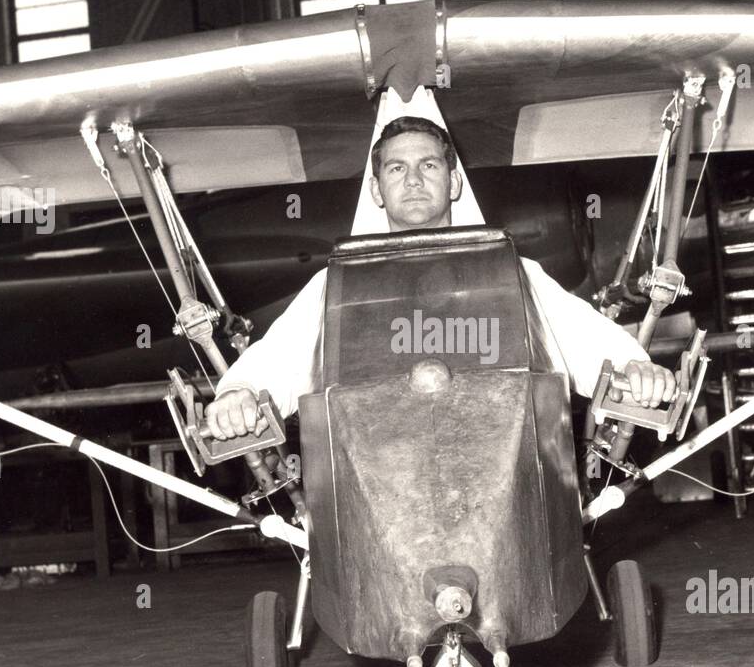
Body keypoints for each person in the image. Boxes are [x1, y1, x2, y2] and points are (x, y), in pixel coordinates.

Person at [206, 116, 673, 439]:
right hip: (376, 463)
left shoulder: (509, 270)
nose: (413, 180)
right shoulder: (337, 283)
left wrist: (635, 367)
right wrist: (238, 394)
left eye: (429, 165)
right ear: (376, 189)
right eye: (396, 168)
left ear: (453, 183)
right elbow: (280, 358)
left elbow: (580, 337)